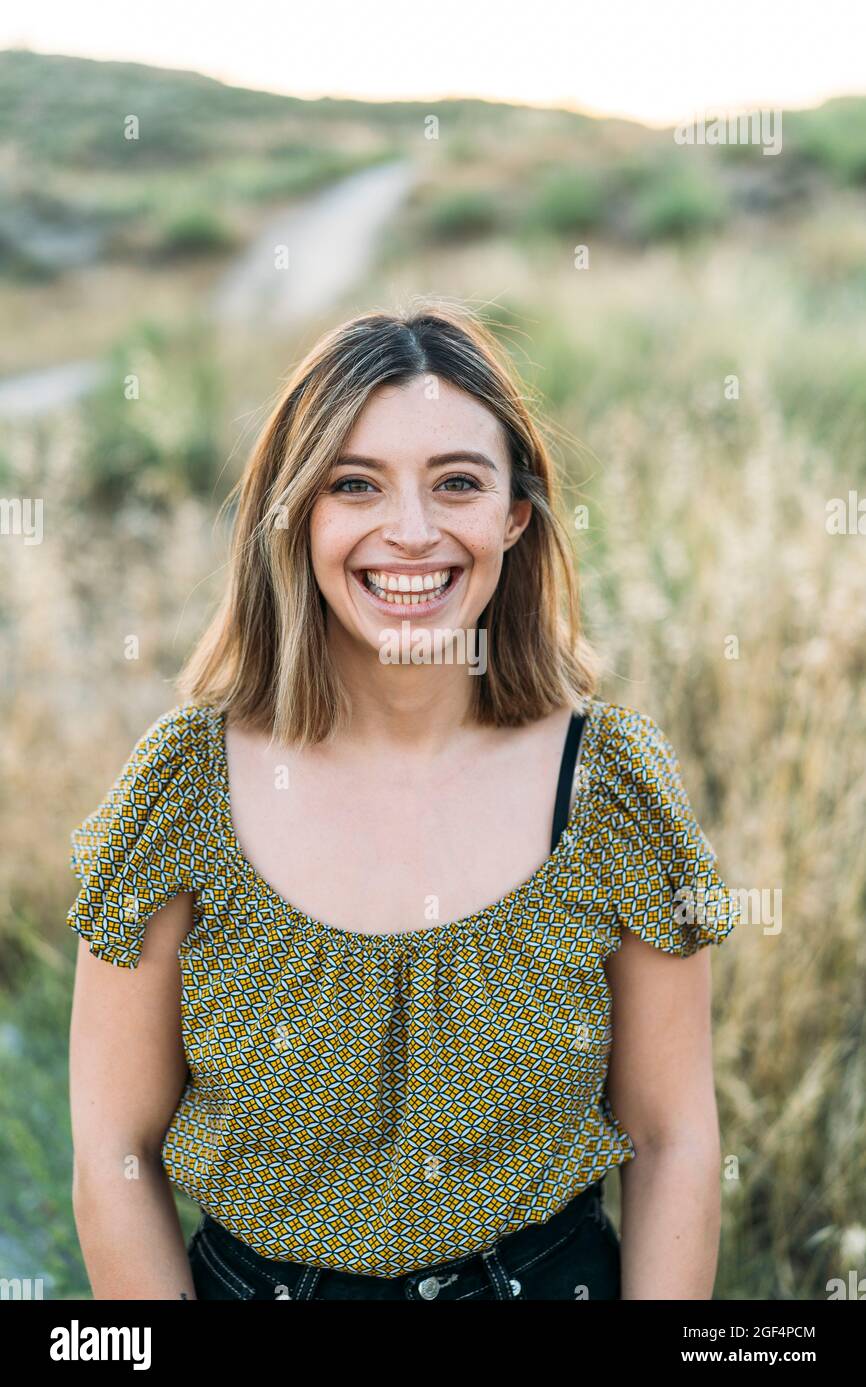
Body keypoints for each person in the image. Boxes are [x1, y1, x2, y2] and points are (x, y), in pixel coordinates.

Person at [67, 299, 739, 1301]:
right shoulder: (182, 788)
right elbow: (114, 1152)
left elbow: (672, 1136)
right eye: (355, 484)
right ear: (296, 514)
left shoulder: (607, 789)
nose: (412, 532)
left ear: (515, 513)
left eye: (457, 483)